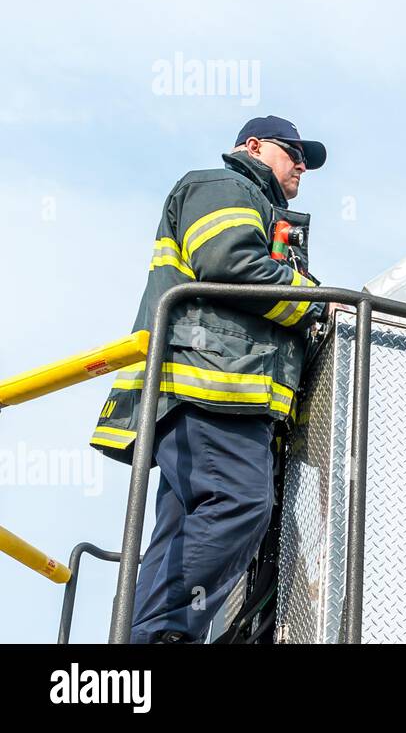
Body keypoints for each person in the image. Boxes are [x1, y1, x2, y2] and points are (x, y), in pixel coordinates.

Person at [90, 115, 328, 643]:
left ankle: (143, 639)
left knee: (178, 531)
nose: (302, 165)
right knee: (239, 503)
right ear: (254, 146)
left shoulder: (254, 202)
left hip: (213, 392)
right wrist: (310, 304)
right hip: (215, 388)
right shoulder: (224, 186)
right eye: (293, 152)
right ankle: (165, 635)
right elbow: (229, 262)